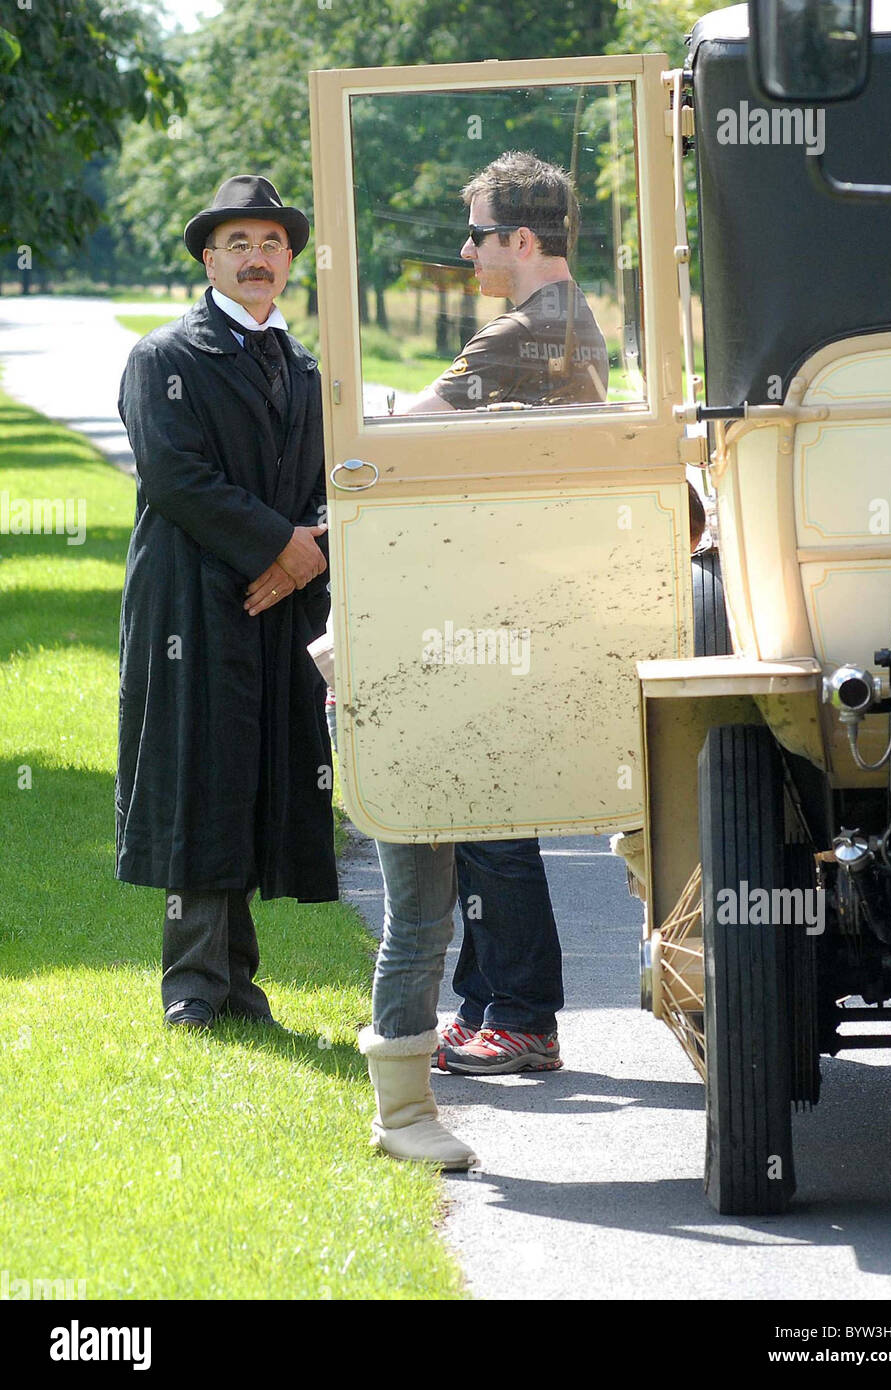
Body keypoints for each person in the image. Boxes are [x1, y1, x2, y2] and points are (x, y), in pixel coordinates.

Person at [358, 153, 608, 1166]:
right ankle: (502, 1005)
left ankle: (517, 1012)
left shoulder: (525, 331)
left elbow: (404, 431)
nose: (462, 251)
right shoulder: (565, 320)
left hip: (498, 598)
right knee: (490, 814)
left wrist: (351, 407)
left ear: (520, 240)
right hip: (523, 589)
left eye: (476, 232)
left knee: (482, 818)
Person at [116, 174, 338, 1031]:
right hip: (192, 607)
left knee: (254, 779)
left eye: (271, 243)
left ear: (289, 262)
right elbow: (176, 478)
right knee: (196, 778)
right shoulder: (163, 357)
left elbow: (331, 485)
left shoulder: (308, 367)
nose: (256, 257)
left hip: (278, 604)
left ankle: (239, 984)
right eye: (237, 244)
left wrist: (301, 556)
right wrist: (276, 545)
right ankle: (192, 986)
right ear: (208, 259)